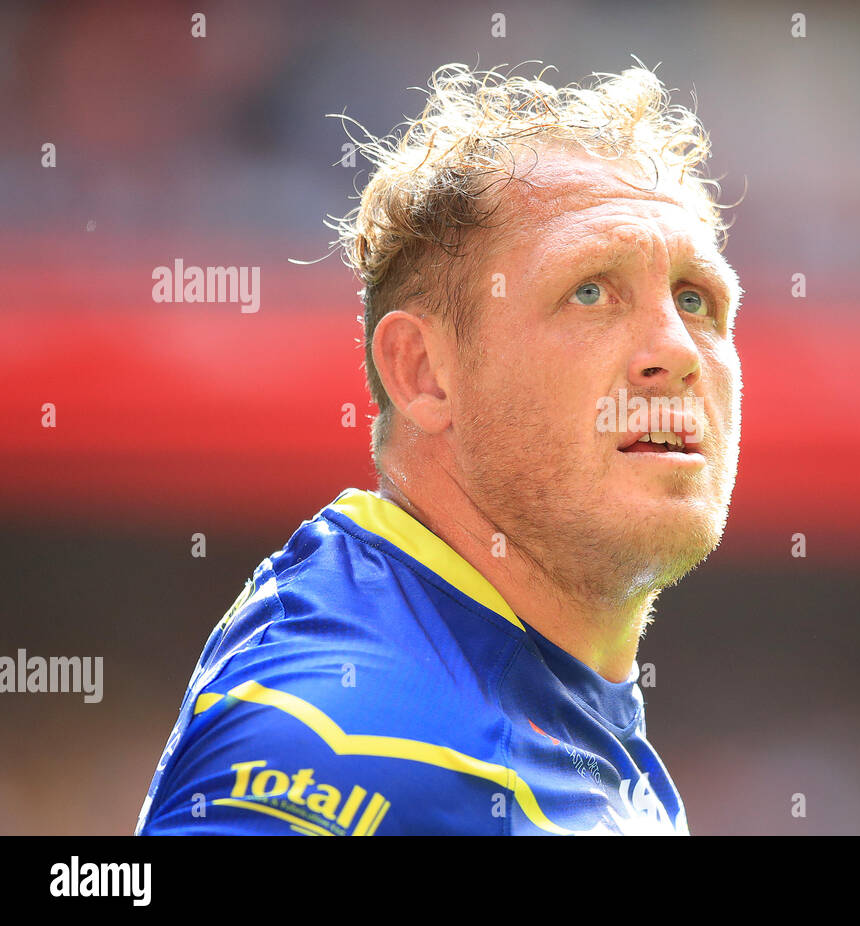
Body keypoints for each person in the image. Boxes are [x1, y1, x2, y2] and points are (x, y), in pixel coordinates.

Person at [136, 62, 743, 835]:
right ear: (424, 374)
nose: (678, 349)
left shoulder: (535, 698)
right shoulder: (344, 745)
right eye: (590, 291)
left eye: (696, 298)